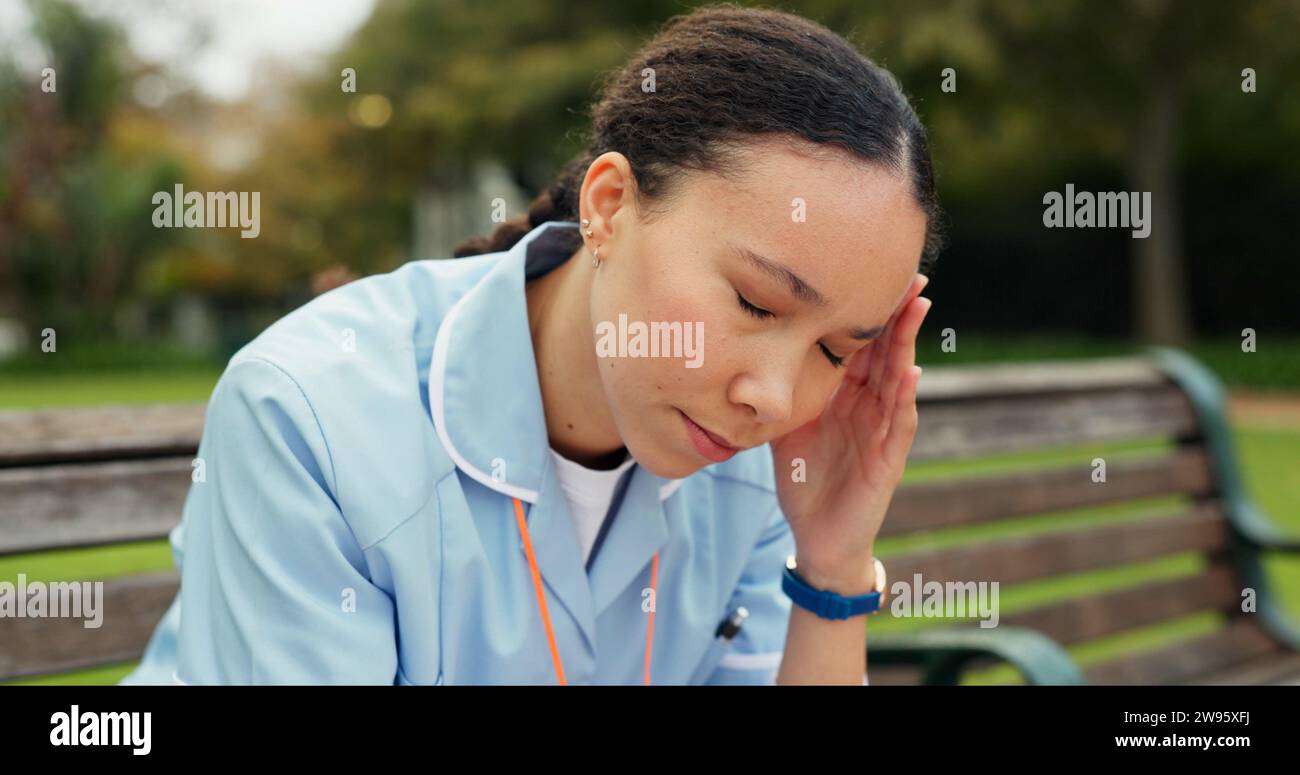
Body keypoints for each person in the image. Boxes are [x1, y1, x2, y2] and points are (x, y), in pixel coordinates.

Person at [119, 3, 940, 686]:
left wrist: (832, 564)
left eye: (835, 351)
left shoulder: (760, 465)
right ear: (611, 205)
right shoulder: (306, 416)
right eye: (756, 303)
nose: (775, 396)